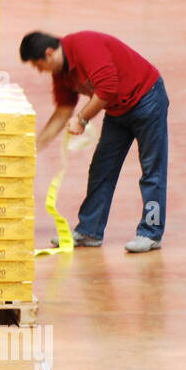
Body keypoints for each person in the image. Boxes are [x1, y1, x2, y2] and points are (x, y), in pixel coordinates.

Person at [20, 30, 169, 253]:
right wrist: (34, 147)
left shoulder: (84, 45)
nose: (40, 71)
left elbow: (108, 88)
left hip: (147, 100)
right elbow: (62, 111)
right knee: (102, 169)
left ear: (49, 53)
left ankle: (151, 233)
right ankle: (89, 231)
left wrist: (81, 119)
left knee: (151, 170)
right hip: (118, 110)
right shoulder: (61, 73)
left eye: (38, 65)